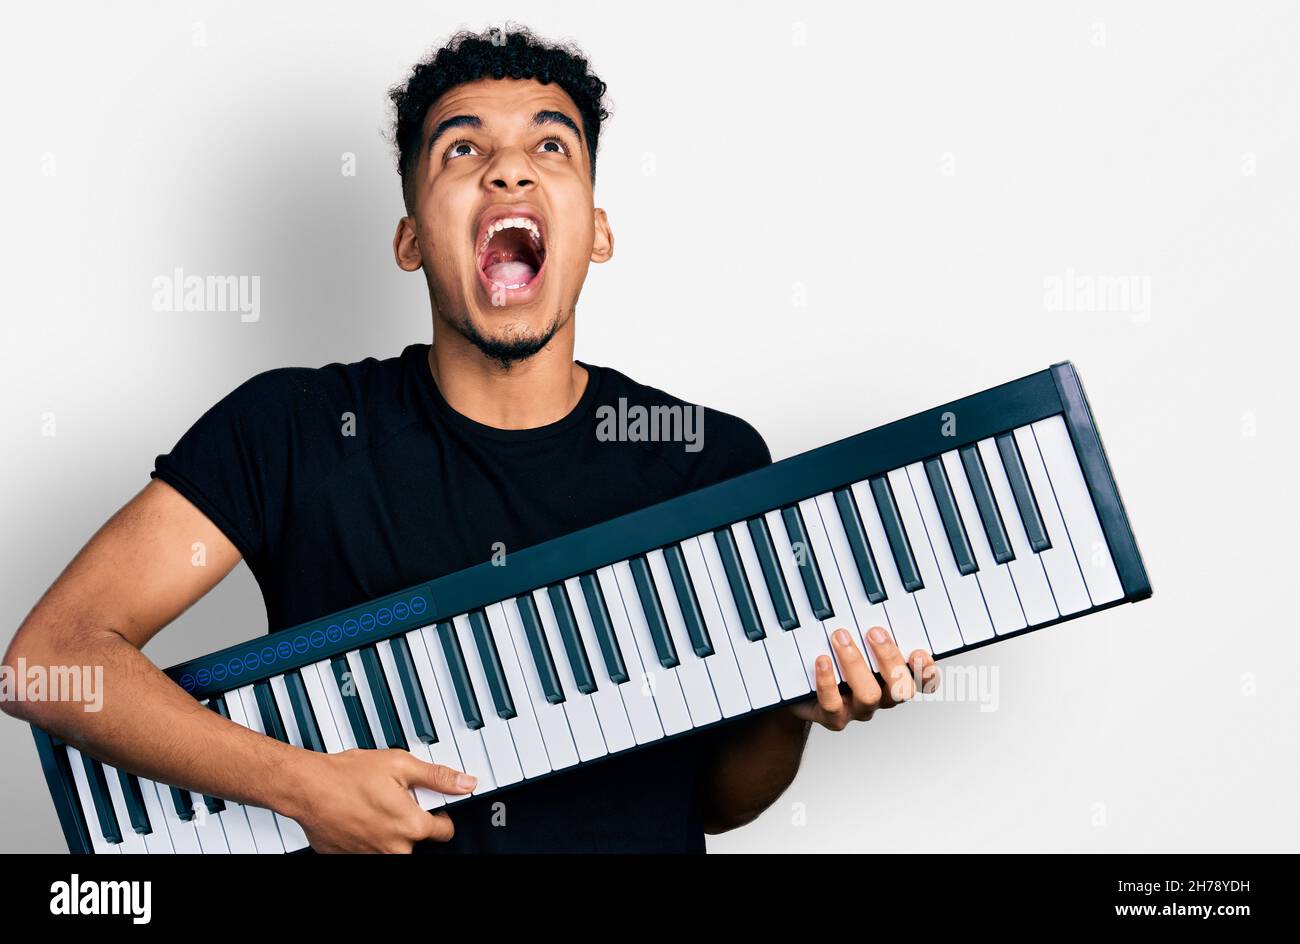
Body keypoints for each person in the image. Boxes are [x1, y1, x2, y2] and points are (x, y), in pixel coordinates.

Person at [3, 26, 937, 853]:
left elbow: (713, 804)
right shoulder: (288, 431)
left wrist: (793, 712)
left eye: (550, 145)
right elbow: (48, 661)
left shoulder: (707, 458)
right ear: (410, 237)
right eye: (462, 149)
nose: (509, 167)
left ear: (598, 230)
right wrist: (301, 787)